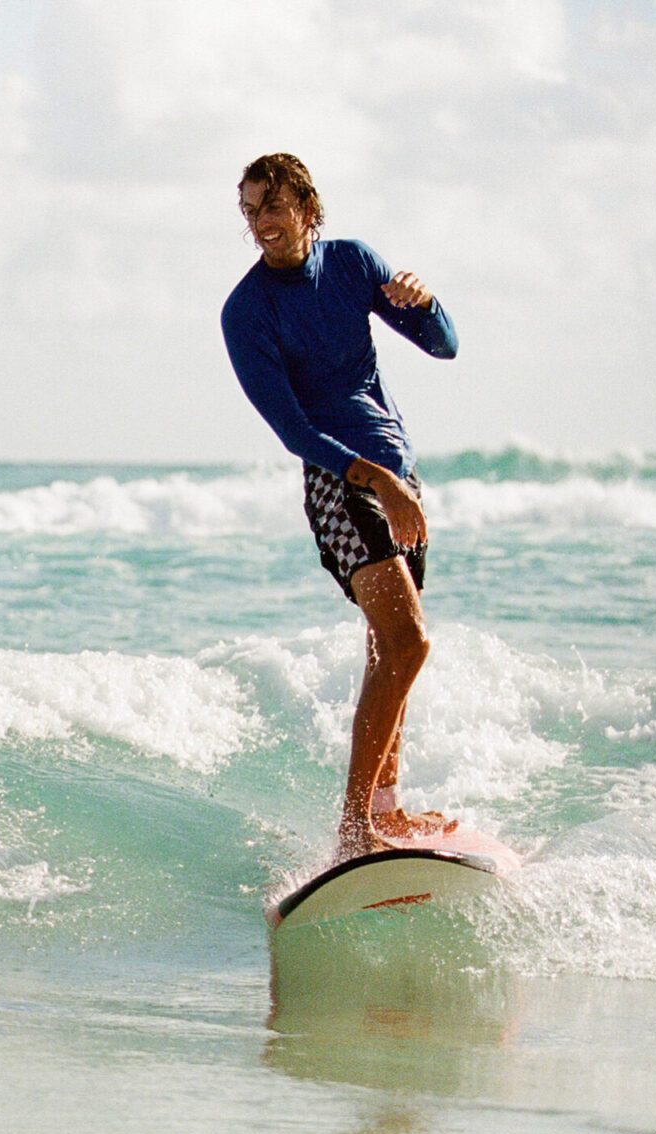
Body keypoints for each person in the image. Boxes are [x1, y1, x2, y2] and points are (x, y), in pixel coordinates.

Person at [220, 153, 460, 861]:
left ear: (307, 205)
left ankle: (388, 808)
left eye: (273, 205)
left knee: (391, 650)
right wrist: (377, 480)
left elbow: (443, 346)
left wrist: (427, 302)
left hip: (400, 473)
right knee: (409, 641)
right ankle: (355, 826)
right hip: (341, 482)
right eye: (250, 209)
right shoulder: (246, 310)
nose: (262, 221)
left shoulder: (352, 263)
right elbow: (292, 428)